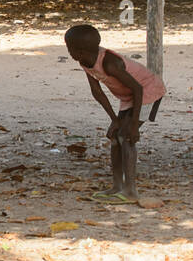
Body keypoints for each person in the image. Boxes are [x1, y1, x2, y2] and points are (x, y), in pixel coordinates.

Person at [64, 24, 166, 203]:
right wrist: (114, 120)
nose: (68, 51)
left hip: (148, 91)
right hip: (128, 96)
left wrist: (134, 126)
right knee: (115, 136)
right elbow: (97, 92)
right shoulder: (84, 61)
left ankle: (131, 191)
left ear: (78, 51)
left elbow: (138, 89)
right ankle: (117, 186)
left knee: (126, 138)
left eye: (69, 48)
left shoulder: (109, 63)